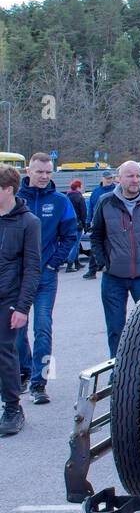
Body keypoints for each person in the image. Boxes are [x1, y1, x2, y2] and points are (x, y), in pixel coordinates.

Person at [15, 152, 77, 405]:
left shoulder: (60, 201)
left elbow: (71, 235)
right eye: (39, 172)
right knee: (16, 330)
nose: (44, 177)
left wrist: (54, 263)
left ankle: (40, 382)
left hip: (45, 277)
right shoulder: (15, 199)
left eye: (49, 172)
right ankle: (24, 371)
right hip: (17, 278)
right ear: (28, 171)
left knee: (43, 327)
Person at [89, 160, 140, 357]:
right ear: (119, 178)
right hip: (114, 278)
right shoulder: (106, 202)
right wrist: (103, 262)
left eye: (138, 176)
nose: (135, 180)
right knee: (116, 328)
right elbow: (96, 234)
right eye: (130, 176)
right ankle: (117, 371)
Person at [0, 166, 39, 436]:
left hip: (9, 299)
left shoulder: (29, 223)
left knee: (5, 353)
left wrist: (23, 307)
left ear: (8, 189)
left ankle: (13, 408)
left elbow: (32, 268)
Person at [84, 171, 116, 279]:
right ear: (102, 178)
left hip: (113, 223)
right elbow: (91, 208)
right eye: (107, 178)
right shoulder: (96, 192)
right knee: (95, 247)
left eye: (111, 178)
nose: (109, 180)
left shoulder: (117, 191)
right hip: (99, 223)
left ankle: (115, 269)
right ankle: (92, 270)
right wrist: (88, 221)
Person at [64, 178, 88, 273]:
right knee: (76, 244)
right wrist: (85, 223)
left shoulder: (67, 196)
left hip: (68, 224)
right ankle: (70, 265)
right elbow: (83, 212)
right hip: (77, 224)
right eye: (82, 186)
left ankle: (77, 262)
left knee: (75, 244)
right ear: (79, 187)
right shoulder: (79, 197)